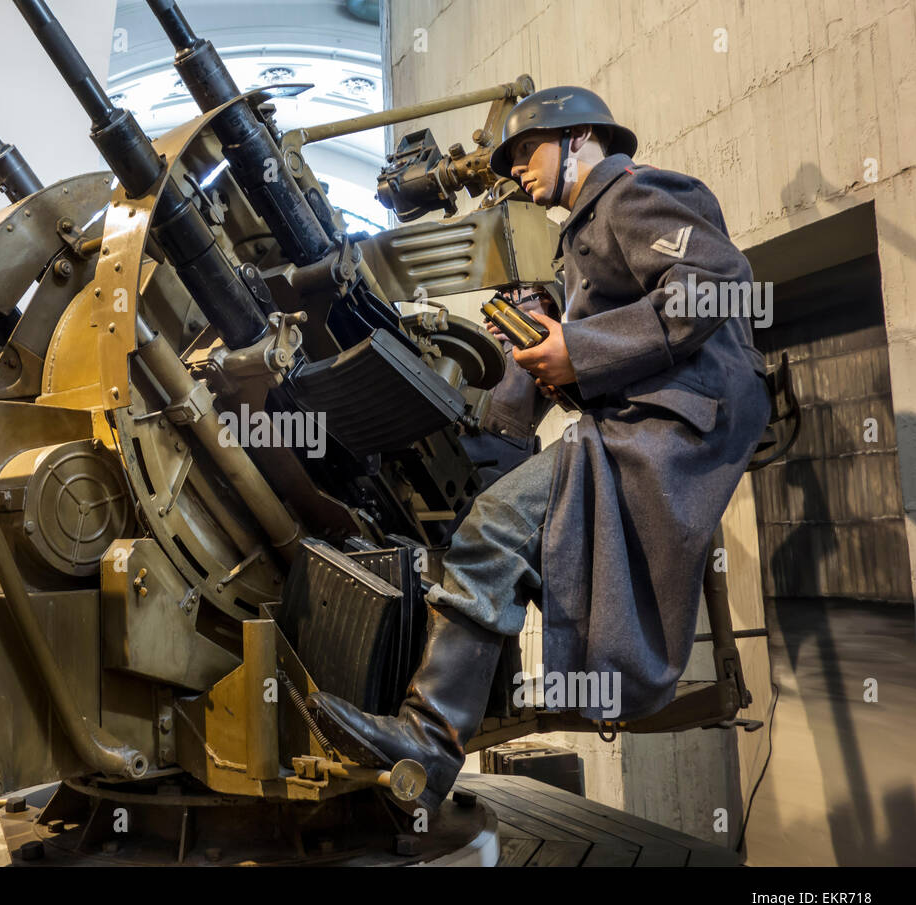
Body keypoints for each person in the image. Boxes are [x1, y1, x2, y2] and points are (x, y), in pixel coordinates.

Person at [309, 85, 771, 813]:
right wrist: (546, 343)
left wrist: (577, 348)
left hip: (678, 424)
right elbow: (626, 343)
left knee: (495, 525)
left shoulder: (636, 192)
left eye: (527, 151)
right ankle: (428, 743)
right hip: (636, 421)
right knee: (496, 524)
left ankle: (428, 744)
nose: (518, 171)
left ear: (580, 136)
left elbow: (716, 284)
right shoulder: (581, 233)